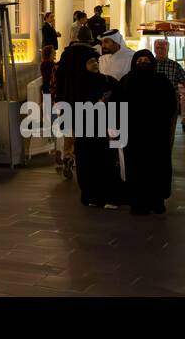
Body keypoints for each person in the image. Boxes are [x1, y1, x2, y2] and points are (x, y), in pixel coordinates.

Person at [57, 43, 121, 207]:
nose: (95, 64)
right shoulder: (78, 87)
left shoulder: (108, 81)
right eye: (90, 62)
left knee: (106, 162)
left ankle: (109, 196)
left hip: (105, 130)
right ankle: (91, 195)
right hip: (86, 131)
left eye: (96, 61)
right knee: (88, 163)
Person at [115, 49, 178, 215]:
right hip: (133, 132)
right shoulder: (126, 81)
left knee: (157, 166)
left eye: (146, 59)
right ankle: (137, 202)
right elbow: (116, 104)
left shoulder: (161, 81)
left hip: (156, 133)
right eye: (140, 59)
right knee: (136, 166)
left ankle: (157, 201)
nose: (143, 62)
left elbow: (171, 104)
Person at [154, 38, 185, 144]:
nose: (160, 50)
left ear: (168, 49)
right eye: (158, 48)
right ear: (154, 49)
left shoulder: (175, 66)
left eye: (163, 48)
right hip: (153, 102)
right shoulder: (151, 65)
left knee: (169, 131)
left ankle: (167, 156)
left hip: (170, 102)